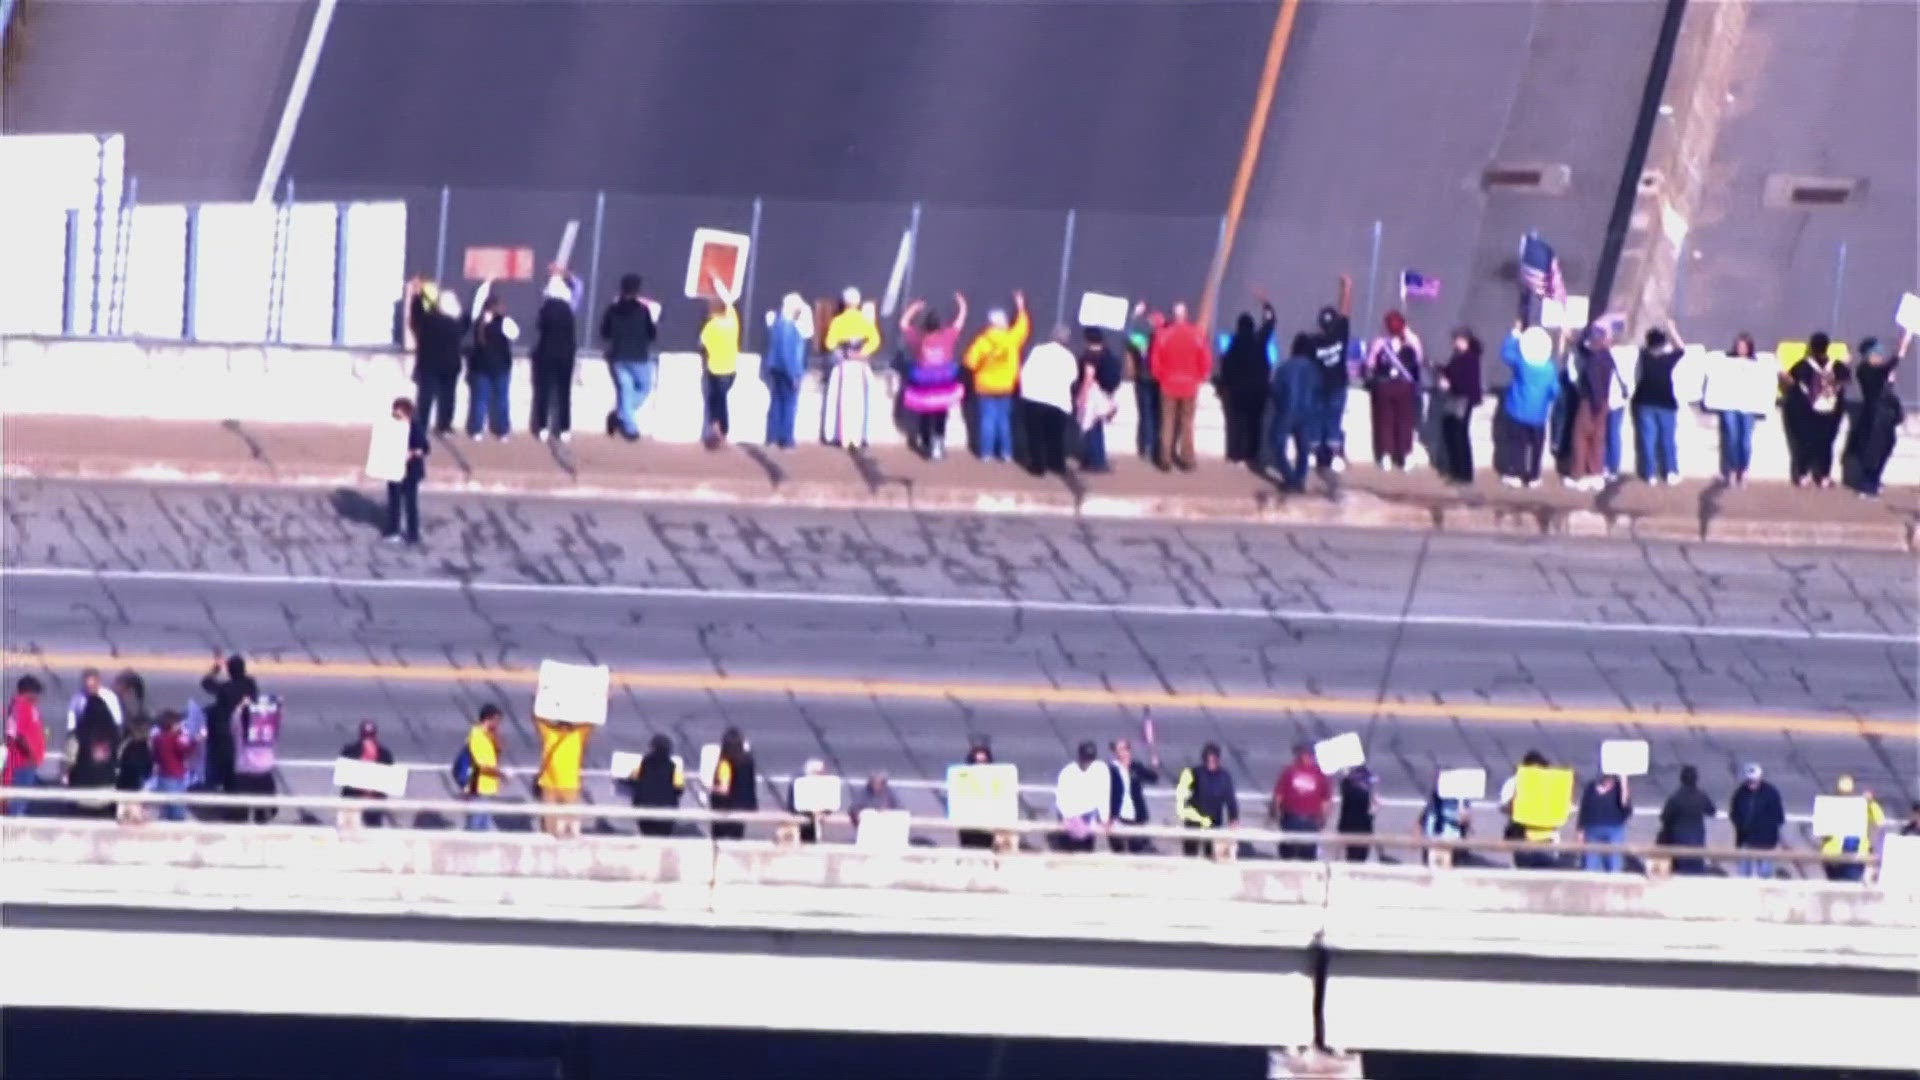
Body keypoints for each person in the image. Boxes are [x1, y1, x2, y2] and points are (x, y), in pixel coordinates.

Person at [898, 294, 968, 460]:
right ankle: (939, 444)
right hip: (943, 382)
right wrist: (962, 305)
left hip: (923, 383)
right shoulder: (948, 336)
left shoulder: (919, 338)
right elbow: (960, 322)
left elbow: (903, 324)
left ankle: (927, 445)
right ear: (939, 325)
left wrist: (913, 308)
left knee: (925, 415)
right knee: (941, 415)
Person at [963, 292, 1030, 462]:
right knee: (1004, 420)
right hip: (1006, 386)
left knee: (987, 420)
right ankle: (1006, 453)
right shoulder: (1011, 339)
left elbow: (969, 362)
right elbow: (1023, 326)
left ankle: (986, 453)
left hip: (985, 386)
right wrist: (1020, 306)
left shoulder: (982, 341)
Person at [1496, 324, 1560, 488]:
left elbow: (1506, 354)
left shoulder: (1522, 364)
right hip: (1538, 415)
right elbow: (1555, 391)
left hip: (1517, 411)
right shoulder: (1549, 368)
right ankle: (1534, 476)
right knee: (1537, 447)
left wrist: (1514, 335)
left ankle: (1515, 473)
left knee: (1518, 444)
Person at [1149, 302, 1211, 471]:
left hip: (1168, 384)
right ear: (1186, 315)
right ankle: (1187, 459)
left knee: (1167, 422)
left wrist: (1161, 377)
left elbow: (1155, 362)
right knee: (1187, 423)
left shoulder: (1162, 335)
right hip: (1190, 385)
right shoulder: (1197, 335)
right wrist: (1199, 377)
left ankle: (1165, 459)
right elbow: (1205, 360)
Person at [1702, 333, 1770, 484]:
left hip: (1749, 406)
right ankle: (1731, 470)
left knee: (1745, 440)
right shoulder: (1725, 361)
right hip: (1729, 404)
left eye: (1744, 346)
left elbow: (1766, 379)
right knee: (1731, 438)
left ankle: (1743, 469)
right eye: (1738, 346)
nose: (1741, 349)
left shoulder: (1757, 363)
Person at [1845, 333, 1908, 497]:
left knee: (1886, 447)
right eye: (1877, 354)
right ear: (1869, 355)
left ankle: (1874, 479)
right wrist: (1901, 347)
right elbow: (1889, 366)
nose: (1880, 357)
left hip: (1885, 417)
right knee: (1873, 451)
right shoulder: (1865, 370)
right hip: (1875, 418)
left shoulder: (1877, 372)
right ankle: (1867, 484)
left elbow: (1887, 385)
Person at [1783, 332, 1849, 487]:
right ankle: (1824, 476)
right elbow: (1846, 379)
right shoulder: (1836, 365)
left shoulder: (1803, 365)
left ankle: (1803, 475)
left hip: (1807, 411)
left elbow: (1790, 381)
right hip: (1832, 412)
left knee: (1805, 442)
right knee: (1826, 444)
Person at [1359, 311, 1423, 471]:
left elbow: (1370, 364)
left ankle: (1386, 455)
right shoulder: (1411, 342)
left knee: (1384, 421)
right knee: (1405, 422)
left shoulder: (1380, 343)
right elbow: (1419, 361)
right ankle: (1406, 455)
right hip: (1405, 386)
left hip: (1384, 385)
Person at [600, 273, 660, 441]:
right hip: (639, 356)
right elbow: (651, 334)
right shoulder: (643, 310)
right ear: (637, 290)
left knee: (625, 389)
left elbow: (605, 333)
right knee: (644, 388)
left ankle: (629, 425)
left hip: (618, 356)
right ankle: (623, 416)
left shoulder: (613, 309)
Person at [405, 279, 466, 436]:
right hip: (449, 367)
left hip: (429, 366)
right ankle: (444, 425)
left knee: (425, 398)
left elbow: (416, 315)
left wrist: (417, 296)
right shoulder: (457, 324)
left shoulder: (427, 321)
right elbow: (469, 317)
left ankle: (422, 426)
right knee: (448, 398)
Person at [1219, 301, 1277, 466]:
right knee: (1255, 423)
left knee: (1236, 424)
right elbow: (1270, 323)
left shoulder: (1233, 345)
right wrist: (1266, 305)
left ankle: (1236, 454)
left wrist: (1224, 385)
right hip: (1258, 390)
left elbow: (1226, 369)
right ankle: (1253, 454)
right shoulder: (1259, 340)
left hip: (1237, 391)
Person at [822, 288, 881, 449]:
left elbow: (829, 343)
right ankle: (859, 437)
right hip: (860, 366)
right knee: (859, 403)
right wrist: (862, 352)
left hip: (843, 366)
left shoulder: (838, 321)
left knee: (842, 402)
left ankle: (841, 437)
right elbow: (875, 341)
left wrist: (843, 352)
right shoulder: (865, 321)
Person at [1308, 276, 1355, 471]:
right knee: (1334, 419)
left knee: (1317, 419)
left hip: (1318, 386)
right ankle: (1335, 456)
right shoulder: (1340, 335)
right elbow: (1345, 313)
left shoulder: (1313, 342)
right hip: (1337, 385)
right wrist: (1346, 289)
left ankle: (1312, 454)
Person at [529, 267, 581, 443]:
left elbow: (540, 327)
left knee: (543, 391)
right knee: (564, 392)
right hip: (566, 354)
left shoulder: (545, 310)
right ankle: (564, 429)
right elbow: (579, 287)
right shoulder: (569, 308)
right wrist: (567, 274)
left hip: (546, 352)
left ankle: (542, 427)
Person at [1019, 326, 1078, 476]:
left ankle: (1038, 467)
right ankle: (1056, 464)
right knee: (1055, 435)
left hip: (1035, 398)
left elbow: (1026, 371)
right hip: (1058, 401)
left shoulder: (1038, 350)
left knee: (1036, 435)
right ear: (1066, 340)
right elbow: (1073, 378)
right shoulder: (1069, 356)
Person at [1267, 333, 1322, 492]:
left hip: (1286, 410)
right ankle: (1300, 478)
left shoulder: (1285, 367)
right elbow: (1319, 391)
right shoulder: (1314, 369)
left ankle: (1289, 477)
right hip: (1307, 412)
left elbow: (1275, 390)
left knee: (1277, 445)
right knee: (1303, 449)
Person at [1632, 325, 1686, 484]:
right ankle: (1670, 471)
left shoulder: (1643, 356)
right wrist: (1672, 329)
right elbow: (1681, 349)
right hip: (1666, 403)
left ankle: (1650, 474)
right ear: (1663, 344)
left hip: (1644, 402)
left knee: (1648, 439)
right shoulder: (1667, 359)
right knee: (1667, 439)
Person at [1566, 324, 1618, 490]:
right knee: (1597, 439)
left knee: (1580, 437)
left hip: (1590, 402)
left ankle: (1578, 475)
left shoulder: (1593, 360)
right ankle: (1595, 474)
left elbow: (1594, 382)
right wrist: (1576, 340)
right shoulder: (1606, 356)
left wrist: (1594, 405)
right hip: (1604, 402)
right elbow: (1584, 349)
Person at [464, 281, 517, 441]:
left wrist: (485, 285)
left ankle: (476, 430)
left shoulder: (478, 321)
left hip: (480, 367)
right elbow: (515, 334)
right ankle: (502, 431)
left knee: (479, 400)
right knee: (501, 399)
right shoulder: (504, 322)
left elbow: (477, 303)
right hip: (501, 367)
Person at [696, 274, 742, 448]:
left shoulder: (712, 326)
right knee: (722, 399)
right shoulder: (733, 319)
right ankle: (721, 429)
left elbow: (701, 342)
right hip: (731, 369)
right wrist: (718, 282)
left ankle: (718, 428)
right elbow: (728, 301)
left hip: (714, 368)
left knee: (715, 400)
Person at [761, 293, 812, 450]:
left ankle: (772, 437)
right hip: (788, 369)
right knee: (789, 404)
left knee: (776, 402)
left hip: (775, 367)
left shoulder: (776, 322)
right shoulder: (790, 327)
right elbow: (789, 353)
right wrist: (794, 375)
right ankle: (786, 439)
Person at [199, 654, 255, 795]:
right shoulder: (250, 685)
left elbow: (206, 683)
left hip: (224, 733)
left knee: (220, 764)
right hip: (243, 732)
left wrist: (215, 669)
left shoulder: (226, 688)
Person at [1434, 328, 1483, 484]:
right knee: (1451, 434)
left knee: (1459, 436)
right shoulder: (1459, 356)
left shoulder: (1470, 359)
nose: (1455, 342)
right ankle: (1456, 471)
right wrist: (1440, 369)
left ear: (1465, 341)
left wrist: (1448, 383)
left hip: (1462, 400)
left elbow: (1465, 382)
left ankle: (1463, 474)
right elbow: (1451, 372)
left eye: (1458, 339)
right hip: (1456, 399)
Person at [1175, 742, 1238, 858]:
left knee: (1210, 855)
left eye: (1213, 760)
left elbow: (1230, 799)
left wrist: (1233, 818)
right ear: (1204, 759)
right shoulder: (1196, 773)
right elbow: (1182, 787)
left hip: (1213, 821)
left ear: (1218, 760)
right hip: (1194, 820)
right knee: (1190, 855)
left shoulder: (1224, 777)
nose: (1210, 763)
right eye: (1208, 760)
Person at [381, 397, 429, 546]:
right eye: (394, 415)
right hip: (394, 469)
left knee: (410, 503)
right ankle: (393, 530)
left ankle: (412, 533)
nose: (396, 418)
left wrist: (413, 452)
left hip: (411, 472)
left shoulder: (415, 428)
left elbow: (425, 448)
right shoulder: (390, 427)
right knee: (394, 501)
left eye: (399, 415)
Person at [1076, 328, 1124, 472]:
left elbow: (1089, 377)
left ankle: (1094, 462)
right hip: (1104, 394)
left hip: (1093, 395)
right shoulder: (1107, 353)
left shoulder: (1090, 356)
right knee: (1098, 428)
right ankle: (1100, 459)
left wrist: (1081, 396)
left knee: (1090, 428)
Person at [1819, 774, 1883, 882]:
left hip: (1855, 855)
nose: (1844, 796)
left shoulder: (1862, 805)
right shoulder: (1831, 806)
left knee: (1850, 884)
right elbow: (1823, 832)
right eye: (1841, 793)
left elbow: (1879, 819)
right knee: (1834, 884)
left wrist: (1871, 802)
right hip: (1833, 856)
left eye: (1847, 793)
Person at [1273, 743, 1331, 860]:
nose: (1304, 757)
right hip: (1291, 818)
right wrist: (1276, 811)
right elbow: (1279, 795)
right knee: (1288, 852)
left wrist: (1323, 818)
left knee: (1308, 853)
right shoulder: (1289, 771)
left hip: (1310, 820)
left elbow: (1325, 799)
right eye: (1302, 754)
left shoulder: (1319, 774)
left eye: (1307, 755)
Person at [1500, 750, 1558, 869]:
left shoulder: (1550, 783)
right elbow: (1504, 807)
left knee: (1547, 867)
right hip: (1521, 832)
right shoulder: (1514, 782)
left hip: (1546, 833)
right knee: (1523, 866)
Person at [66, 695, 120, 817]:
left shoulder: (78, 734)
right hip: (107, 794)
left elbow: (70, 760)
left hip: (80, 794)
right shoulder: (114, 735)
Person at [1053, 741, 1111, 853]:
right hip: (1072, 815)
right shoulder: (1068, 772)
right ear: (1079, 756)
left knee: (1087, 848)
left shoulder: (1100, 770)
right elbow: (1061, 798)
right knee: (1070, 849)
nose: (1087, 762)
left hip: (1089, 815)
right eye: (1085, 759)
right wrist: (1066, 816)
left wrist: (1104, 818)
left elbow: (1103, 795)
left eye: (1090, 759)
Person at [1728, 763, 1785, 878]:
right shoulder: (1740, 793)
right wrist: (1740, 826)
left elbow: (1779, 817)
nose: (1751, 784)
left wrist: (1769, 831)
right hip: (1745, 839)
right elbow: (1734, 813)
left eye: (1754, 781)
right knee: (1743, 874)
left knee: (1765, 875)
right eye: (1749, 781)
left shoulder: (1771, 793)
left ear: (1760, 778)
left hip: (1766, 841)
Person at [1657, 765, 1716, 874]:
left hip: (1678, 840)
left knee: (1679, 872)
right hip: (1697, 840)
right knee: (1696, 872)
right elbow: (1712, 811)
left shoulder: (1675, 797)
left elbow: (1664, 817)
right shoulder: (1701, 796)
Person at [1107, 735, 1161, 854]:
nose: (1121, 752)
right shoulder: (1111, 769)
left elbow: (1153, 778)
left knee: (1138, 848)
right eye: (1118, 749)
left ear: (1128, 750)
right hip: (1118, 816)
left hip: (1136, 815)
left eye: (1123, 749)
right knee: (1118, 850)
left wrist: (1155, 765)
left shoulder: (1136, 767)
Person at [338, 720, 395, 828]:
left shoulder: (384, 754)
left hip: (374, 799)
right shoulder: (349, 751)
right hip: (353, 798)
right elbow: (343, 775)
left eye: (370, 736)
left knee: (373, 829)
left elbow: (389, 779)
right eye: (366, 737)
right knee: (349, 830)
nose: (368, 740)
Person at [4, 675, 47, 815]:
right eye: (36, 693)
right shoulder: (20, 706)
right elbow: (19, 735)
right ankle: (13, 827)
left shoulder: (29, 707)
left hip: (29, 761)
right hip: (23, 761)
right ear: (27, 692)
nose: (38, 697)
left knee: (24, 796)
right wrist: (31, 755)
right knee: (19, 799)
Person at [629, 733, 685, 838]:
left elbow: (632, 781)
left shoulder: (643, 763)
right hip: (667, 811)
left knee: (648, 836)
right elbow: (679, 789)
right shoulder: (674, 767)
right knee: (663, 838)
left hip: (644, 809)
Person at [1576, 771, 1632, 873]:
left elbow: (1626, 809)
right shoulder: (1591, 787)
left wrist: (1624, 783)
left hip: (1614, 829)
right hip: (1592, 829)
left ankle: (1614, 887)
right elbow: (1584, 809)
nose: (1607, 780)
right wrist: (1580, 830)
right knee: (1590, 865)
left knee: (1614, 864)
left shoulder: (1619, 788)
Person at [1125, 303, 1162, 461]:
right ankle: (1156, 446)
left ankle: (1146, 446)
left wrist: (1134, 315)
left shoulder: (1143, 340)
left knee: (1145, 413)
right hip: (1160, 379)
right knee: (1157, 414)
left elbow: (1127, 334)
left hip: (1144, 378)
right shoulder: (1165, 340)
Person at [709, 726, 757, 841]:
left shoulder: (725, 763)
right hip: (742, 807)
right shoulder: (748, 760)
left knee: (720, 841)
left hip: (725, 810)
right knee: (737, 839)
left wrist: (711, 788)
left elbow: (724, 789)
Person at [462, 705, 505, 832]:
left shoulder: (489, 735)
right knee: (476, 825)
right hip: (478, 786)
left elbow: (500, 749)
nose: (498, 724)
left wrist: (495, 736)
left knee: (483, 825)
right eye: (496, 720)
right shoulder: (477, 736)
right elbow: (481, 766)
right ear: (488, 719)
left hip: (488, 786)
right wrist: (501, 774)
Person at [148, 709, 195, 822]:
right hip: (175, 776)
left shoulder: (157, 739)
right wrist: (195, 740)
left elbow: (156, 756)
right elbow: (185, 750)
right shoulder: (174, 738)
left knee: (167, 806)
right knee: (177, 808)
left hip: (163, 775)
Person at [1419, 779, 1471, 868]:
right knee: (1435, 864)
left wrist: (1461, 808)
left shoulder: (1459, 799)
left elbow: (1464, 819)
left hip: (1448, 837)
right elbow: (1426, 815)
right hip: (1434, 837)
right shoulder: (1434, 798)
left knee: (1443, 864)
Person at [955, 743, 998, 850]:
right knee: (968, 846)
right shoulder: (963, 778)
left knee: (986, 846)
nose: (980, 765)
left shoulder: (995, 778)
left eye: (984, 762)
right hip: (968, 819)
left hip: (987, 819)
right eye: (976, 762)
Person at [63, 667, 122, 744]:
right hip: (83, 735)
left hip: (105, 736)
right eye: (87, 686)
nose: (90, 689)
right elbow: (72, 716)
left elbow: (117, 720)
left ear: (98, 682)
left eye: (92, 686)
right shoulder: (77, 698)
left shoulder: (109, 697)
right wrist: (71, 733)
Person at [113, 713, 154, 823]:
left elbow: (118, 760)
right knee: (134, 814)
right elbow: (145, 766)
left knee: (124, 813)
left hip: (123, 782)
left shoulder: (125, 743)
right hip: (134, 783)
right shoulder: (142, 745)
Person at [1337, 764, 1378, 862]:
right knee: (1359, 858)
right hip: (1361, 831)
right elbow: (1367, 816)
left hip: (1347, 828)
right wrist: (1375, 807)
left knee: (1351, 855)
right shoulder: (1362, 796)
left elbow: (1345, 782)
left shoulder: (1347, 790)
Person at [787, 758, 833, 844]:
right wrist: (809, 811)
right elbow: (792, 803)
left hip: (815, 811)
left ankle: (814, 840)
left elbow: (827, 799)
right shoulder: (798, 782)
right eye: (819, 773)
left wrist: (825, 811)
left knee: (817, 819)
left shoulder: (822, 782)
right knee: (808, 822)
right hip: (800, 812)